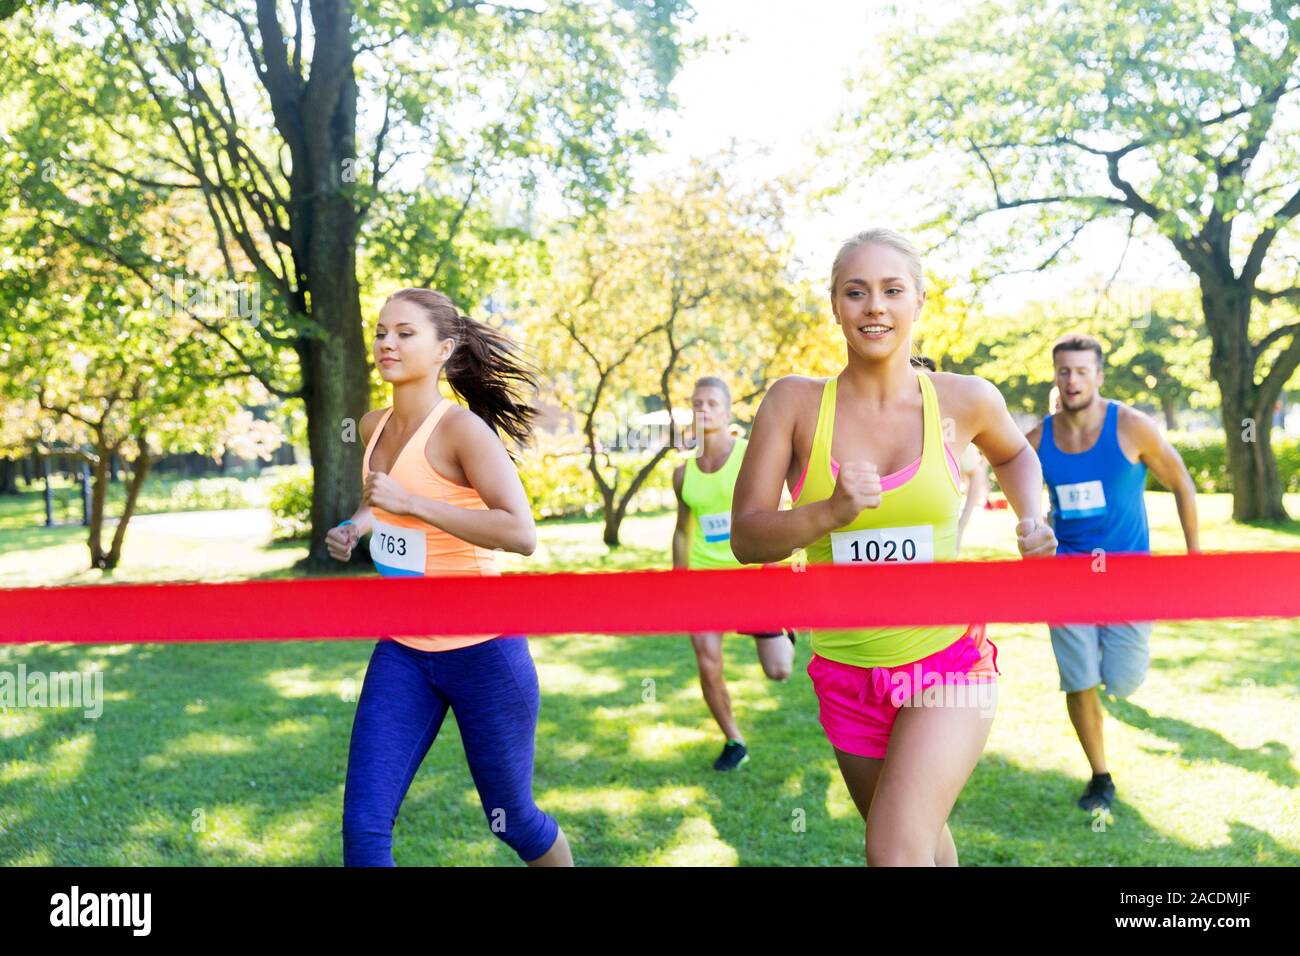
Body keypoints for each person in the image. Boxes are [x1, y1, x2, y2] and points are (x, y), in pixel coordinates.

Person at [731, 228, 1057, 866]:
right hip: (848, 674)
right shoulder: (794, 404)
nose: (874, 306)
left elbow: (1017, 454)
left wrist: (1033, 517)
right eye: (856, 292)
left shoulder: (964, 400)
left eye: (891, 290)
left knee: (893, 848)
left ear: (919, 302)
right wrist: (829, 512)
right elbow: (747, 536)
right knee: (923, 843)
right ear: (835, 306)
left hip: (950, 664)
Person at [328, 287, 572, 867]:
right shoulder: (372, 426)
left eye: (405, 333)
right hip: (404, 650)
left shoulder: (463, 431)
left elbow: (520, 534)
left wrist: (413, 504)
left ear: (444, 348)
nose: (387, 342)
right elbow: (381, 501)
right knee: (363, 828)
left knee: (513, 820)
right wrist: (359, 524)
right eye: (382, 331)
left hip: (484, 652)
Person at [1026, 333, 1199, 816]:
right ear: (1055, 375)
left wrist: (1195, 558)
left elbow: (1182, 483)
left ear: (1099, 377)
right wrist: (1033, 528)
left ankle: (1114, 684)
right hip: (1066, 580)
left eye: (1082, 371)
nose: (1072, 380)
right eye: (1064, 371)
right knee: (1078, 680)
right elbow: (1013, 480)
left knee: (1122, 682)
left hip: (1129, 582)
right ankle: (1100, 775)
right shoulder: (1039, 439)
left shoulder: (1132, 427)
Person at [672, 376, 795, 771]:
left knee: (779, 670)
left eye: (711, 402)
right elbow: (681, 529)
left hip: (756, 573)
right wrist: (677, 581)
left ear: (727, 412)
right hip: (705, 581)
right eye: (696, 403)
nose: (702, 408)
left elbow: (777, 511)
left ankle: (787, 629)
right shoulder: (683, 474)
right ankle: (733, 739)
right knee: (707, 661)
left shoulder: (751, 455)